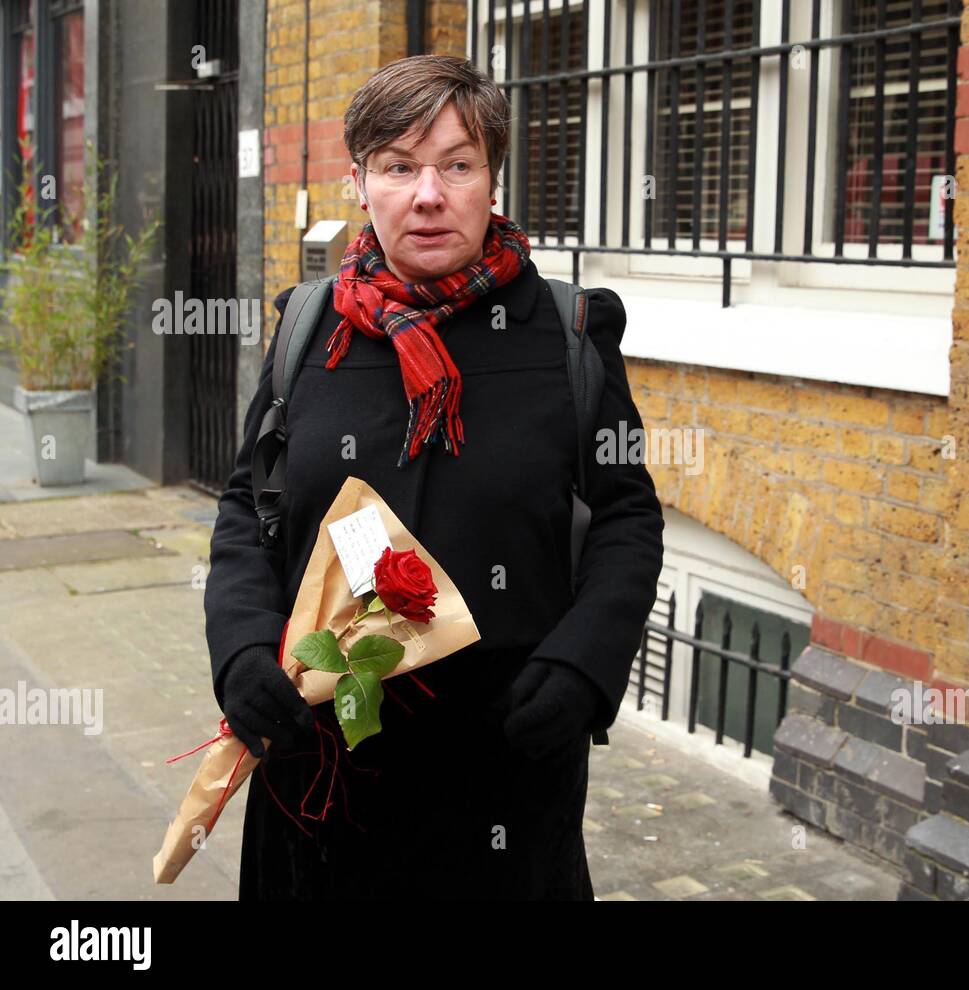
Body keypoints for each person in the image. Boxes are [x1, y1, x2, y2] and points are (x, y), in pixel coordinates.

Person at [202, 54, 665, 899]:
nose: (428, 193)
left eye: (457, 164)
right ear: (359, 180)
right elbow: (250, 506)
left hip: (503, 776)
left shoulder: (566, 334)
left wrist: (582, 669)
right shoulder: (309, 330)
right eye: (398, 166)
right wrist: (240, 653)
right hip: (319, 774)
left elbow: (628, 519)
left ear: (493, 178)